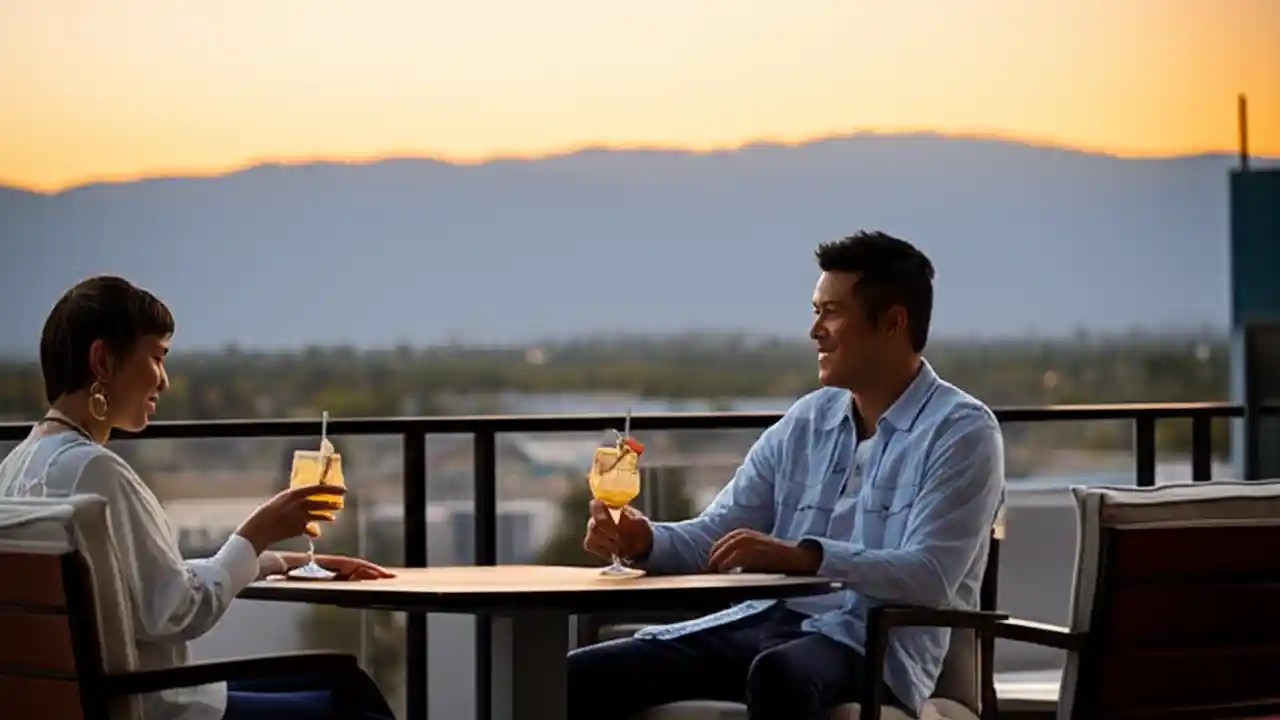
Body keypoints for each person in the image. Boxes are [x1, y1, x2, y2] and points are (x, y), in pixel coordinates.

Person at [570, 231, 1007, 720]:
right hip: (766, 625)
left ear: (892, 323)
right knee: (581, 674)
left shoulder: (961, 432)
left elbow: (929, 577)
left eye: (831, 312)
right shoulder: (808, 421)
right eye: (816, 310)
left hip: (872, 645)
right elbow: (718, 535)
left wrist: (804, 557)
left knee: (780, 673)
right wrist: (643, 540)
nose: (814, 330)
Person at [0, 276, 397, 720]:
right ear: (103, 361)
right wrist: (260, 528)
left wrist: (273, 560)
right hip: (156, 704)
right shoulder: (96, 471)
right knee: (348, 700)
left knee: (343, 681)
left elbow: (132, 588)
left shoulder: (16, 469)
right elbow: (180, 612)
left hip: (89, 702)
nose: (164, 381)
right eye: (156, 357)